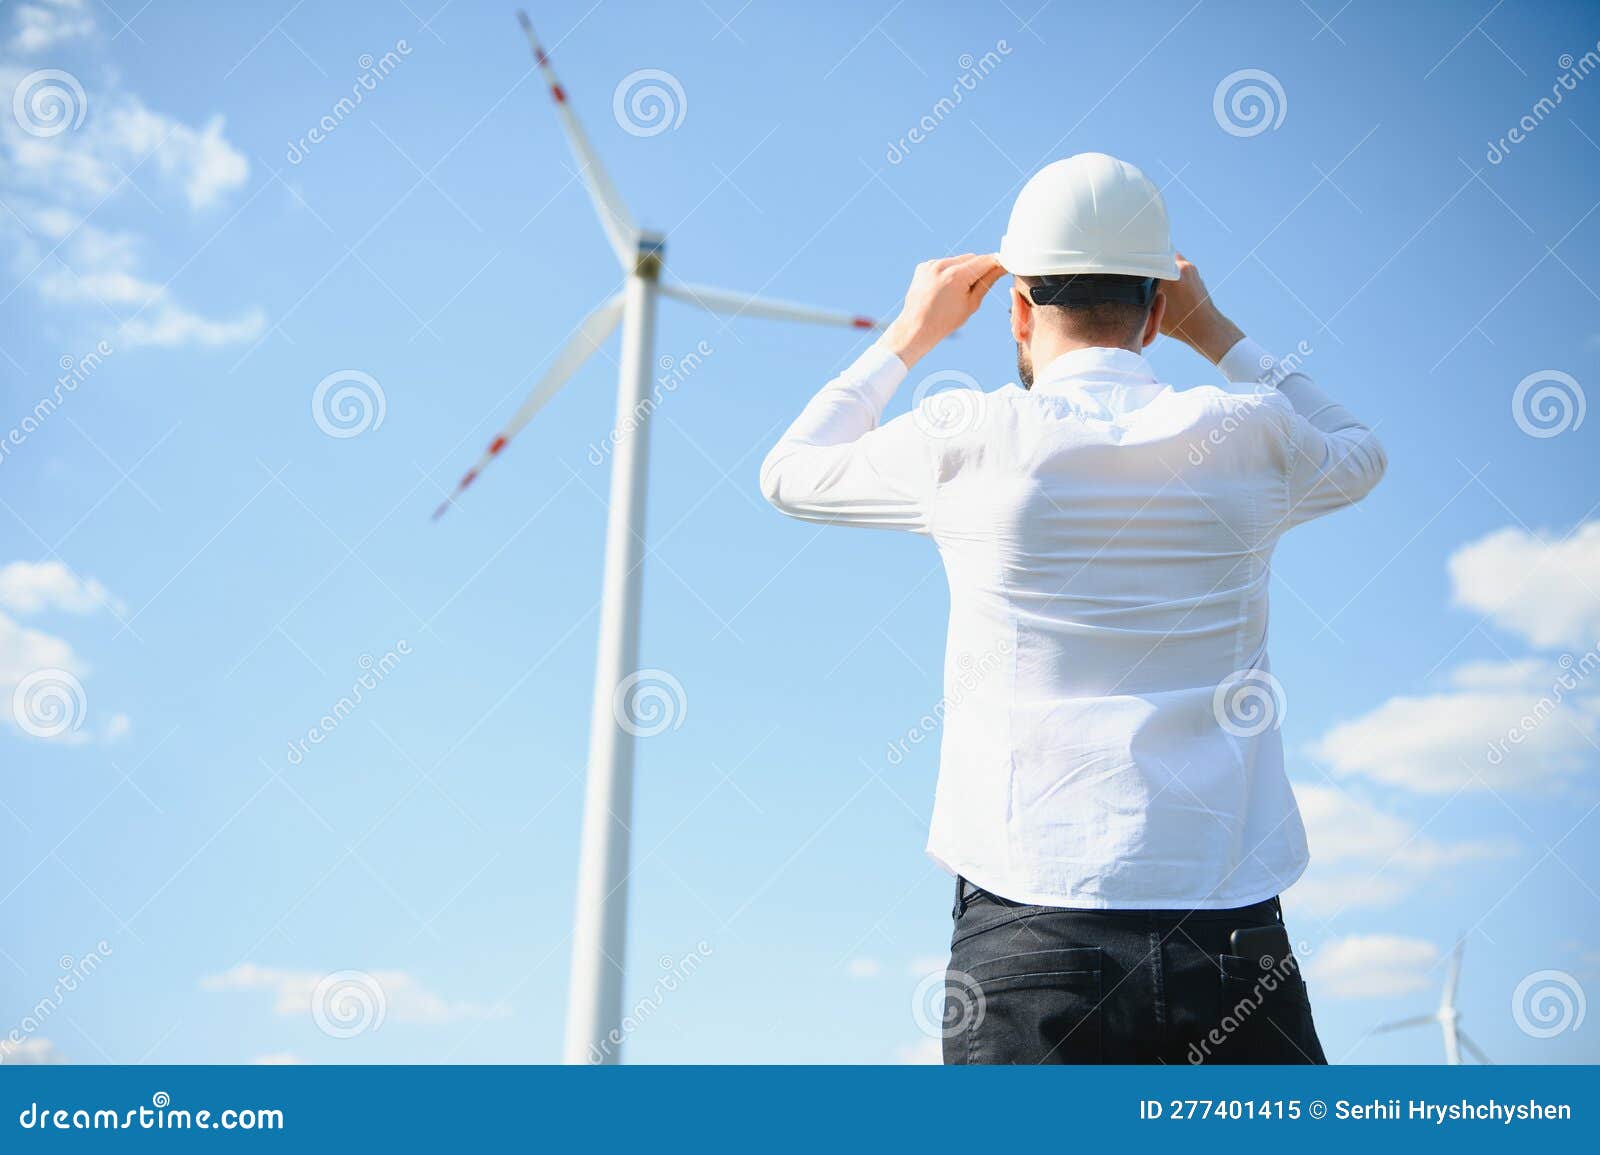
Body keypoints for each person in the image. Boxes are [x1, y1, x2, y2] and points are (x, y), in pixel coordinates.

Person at [759, 153, 1386, 1064]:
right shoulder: (1249, 433)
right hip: (1233, 937)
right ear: (1158, 311)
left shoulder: (965, 436)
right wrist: (1220, 335)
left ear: (1019, 307)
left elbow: (789, 472)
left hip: (1030, 934)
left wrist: (909, 334)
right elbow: (1359, 450)